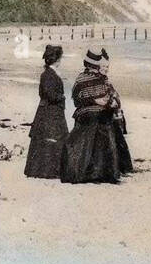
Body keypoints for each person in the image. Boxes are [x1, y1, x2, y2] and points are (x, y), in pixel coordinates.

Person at [60, 49, 122, 184]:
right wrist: (99, 102)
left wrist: (99, 101)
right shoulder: (99, 78)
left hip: (90, 115)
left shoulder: (84, 78)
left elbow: (77, 101)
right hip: (97, 116)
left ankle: (89, 172)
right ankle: (103, 173)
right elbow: (108, 98)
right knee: (105, 132)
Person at [24, 45, 67, 179]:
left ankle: (43, 170)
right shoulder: (50, 74)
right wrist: (62, 97)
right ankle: (50, 171)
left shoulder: (47, 73)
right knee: (54, 138)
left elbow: (41, 93)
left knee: (45, 139)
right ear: (57, 60)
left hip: (45, 109)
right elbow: (50, 94)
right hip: (51, 111)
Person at [99, 49, 133, 175]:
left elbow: (114, 96)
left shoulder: (105, 79)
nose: (106, 69)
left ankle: (121, 167)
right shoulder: (96, 80)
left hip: (111, 113)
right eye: (103, 66)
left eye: (107, 66)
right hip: (103, 114)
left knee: (118, 139)